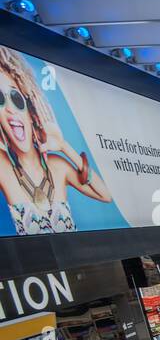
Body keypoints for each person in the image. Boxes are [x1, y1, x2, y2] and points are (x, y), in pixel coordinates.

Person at [0, 45, 113, 234]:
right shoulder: (3, 166)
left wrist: (63, 146)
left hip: (76, 261)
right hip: (38, 263)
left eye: (16, 98)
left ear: (31, 112)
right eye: (0, 100)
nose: (10, 109)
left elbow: (105, 195)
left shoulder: (57, 166)